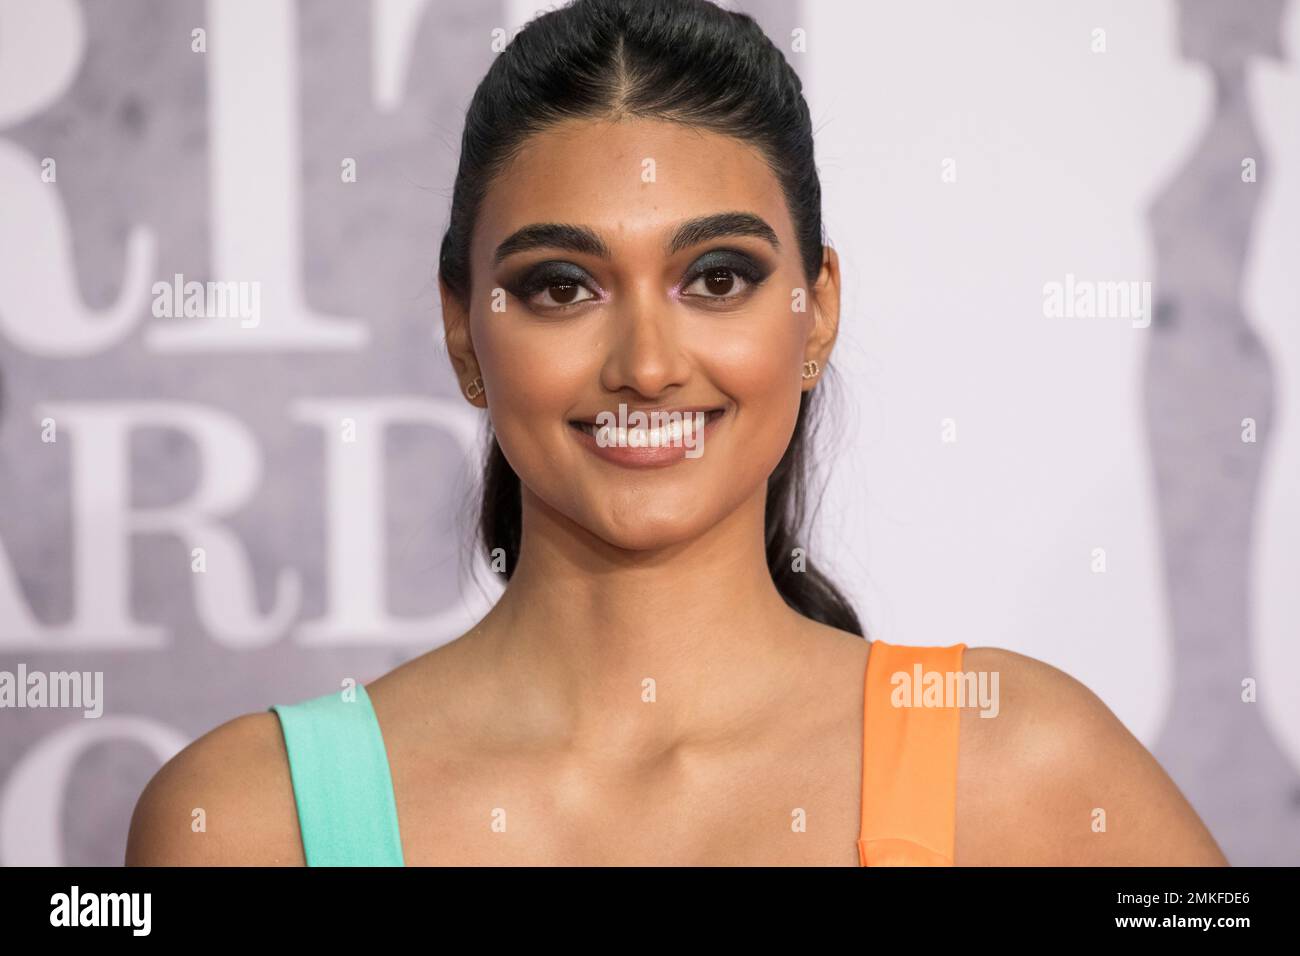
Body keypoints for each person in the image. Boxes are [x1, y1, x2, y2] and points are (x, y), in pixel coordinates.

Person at [126, 0, 1226, 866]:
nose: (647, 362)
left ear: (816, 310)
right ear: (465, 328)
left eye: (717, 276)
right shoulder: (245, 820)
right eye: (561, 285)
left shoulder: (1021, 764)